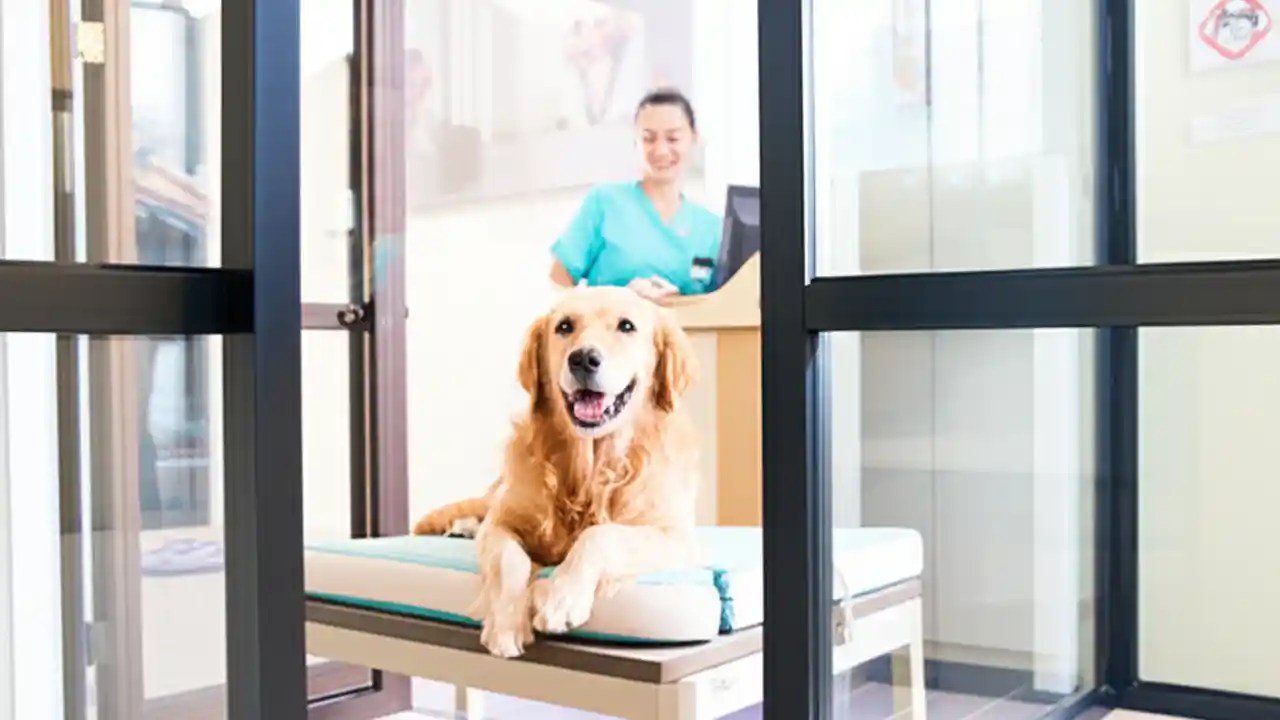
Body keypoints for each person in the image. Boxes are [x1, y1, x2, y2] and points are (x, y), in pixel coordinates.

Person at [549, 88, 721, 303]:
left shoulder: (711, 229)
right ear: (635, 141)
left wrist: (676, 300)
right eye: (648, 139)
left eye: (673, 138)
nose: (660, 150)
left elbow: (719, 307)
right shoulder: (605, 203)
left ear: (694, 139)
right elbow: (558, 282)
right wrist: (621, 302)